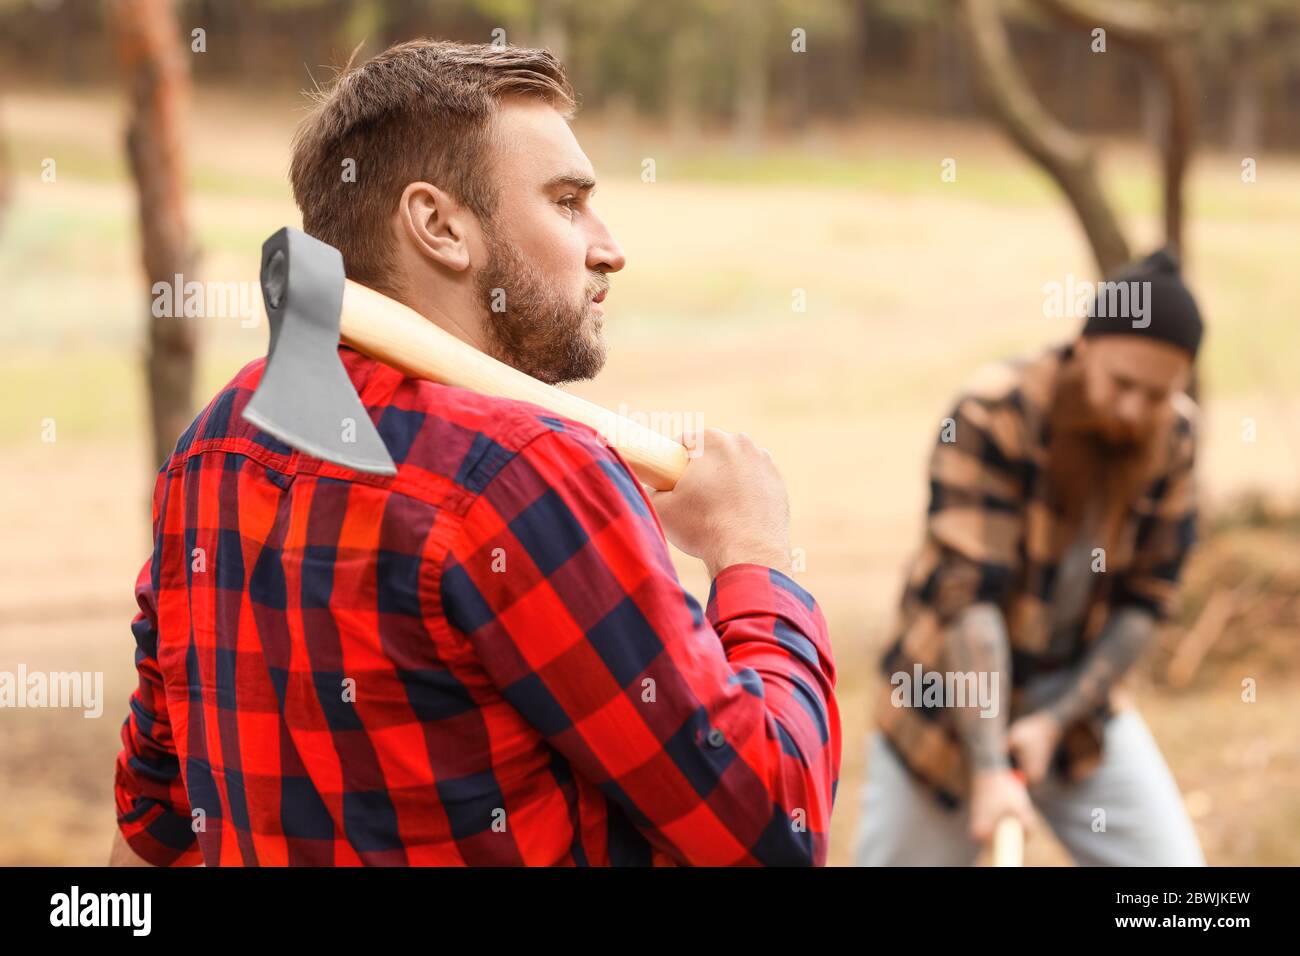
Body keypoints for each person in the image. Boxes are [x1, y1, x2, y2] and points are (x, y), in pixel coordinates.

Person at [110, 40, 839, 867]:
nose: (609, 248)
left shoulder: (213, 448)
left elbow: (154, 825)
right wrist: (754, 556)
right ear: (439, 227)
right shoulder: (527, 473)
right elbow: (775, 826)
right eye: (567, 203)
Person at [855, 250, 1205, 866]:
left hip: (1074, 703)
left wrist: (1054, 721)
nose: (1133, 410)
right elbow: (969, 596)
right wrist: (990, 769)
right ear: (1083, 346)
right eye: (1121, 384)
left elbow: (1147, 600)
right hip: (943, 696)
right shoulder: (991, 413)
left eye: (1157, 394)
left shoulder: (1174, 435)